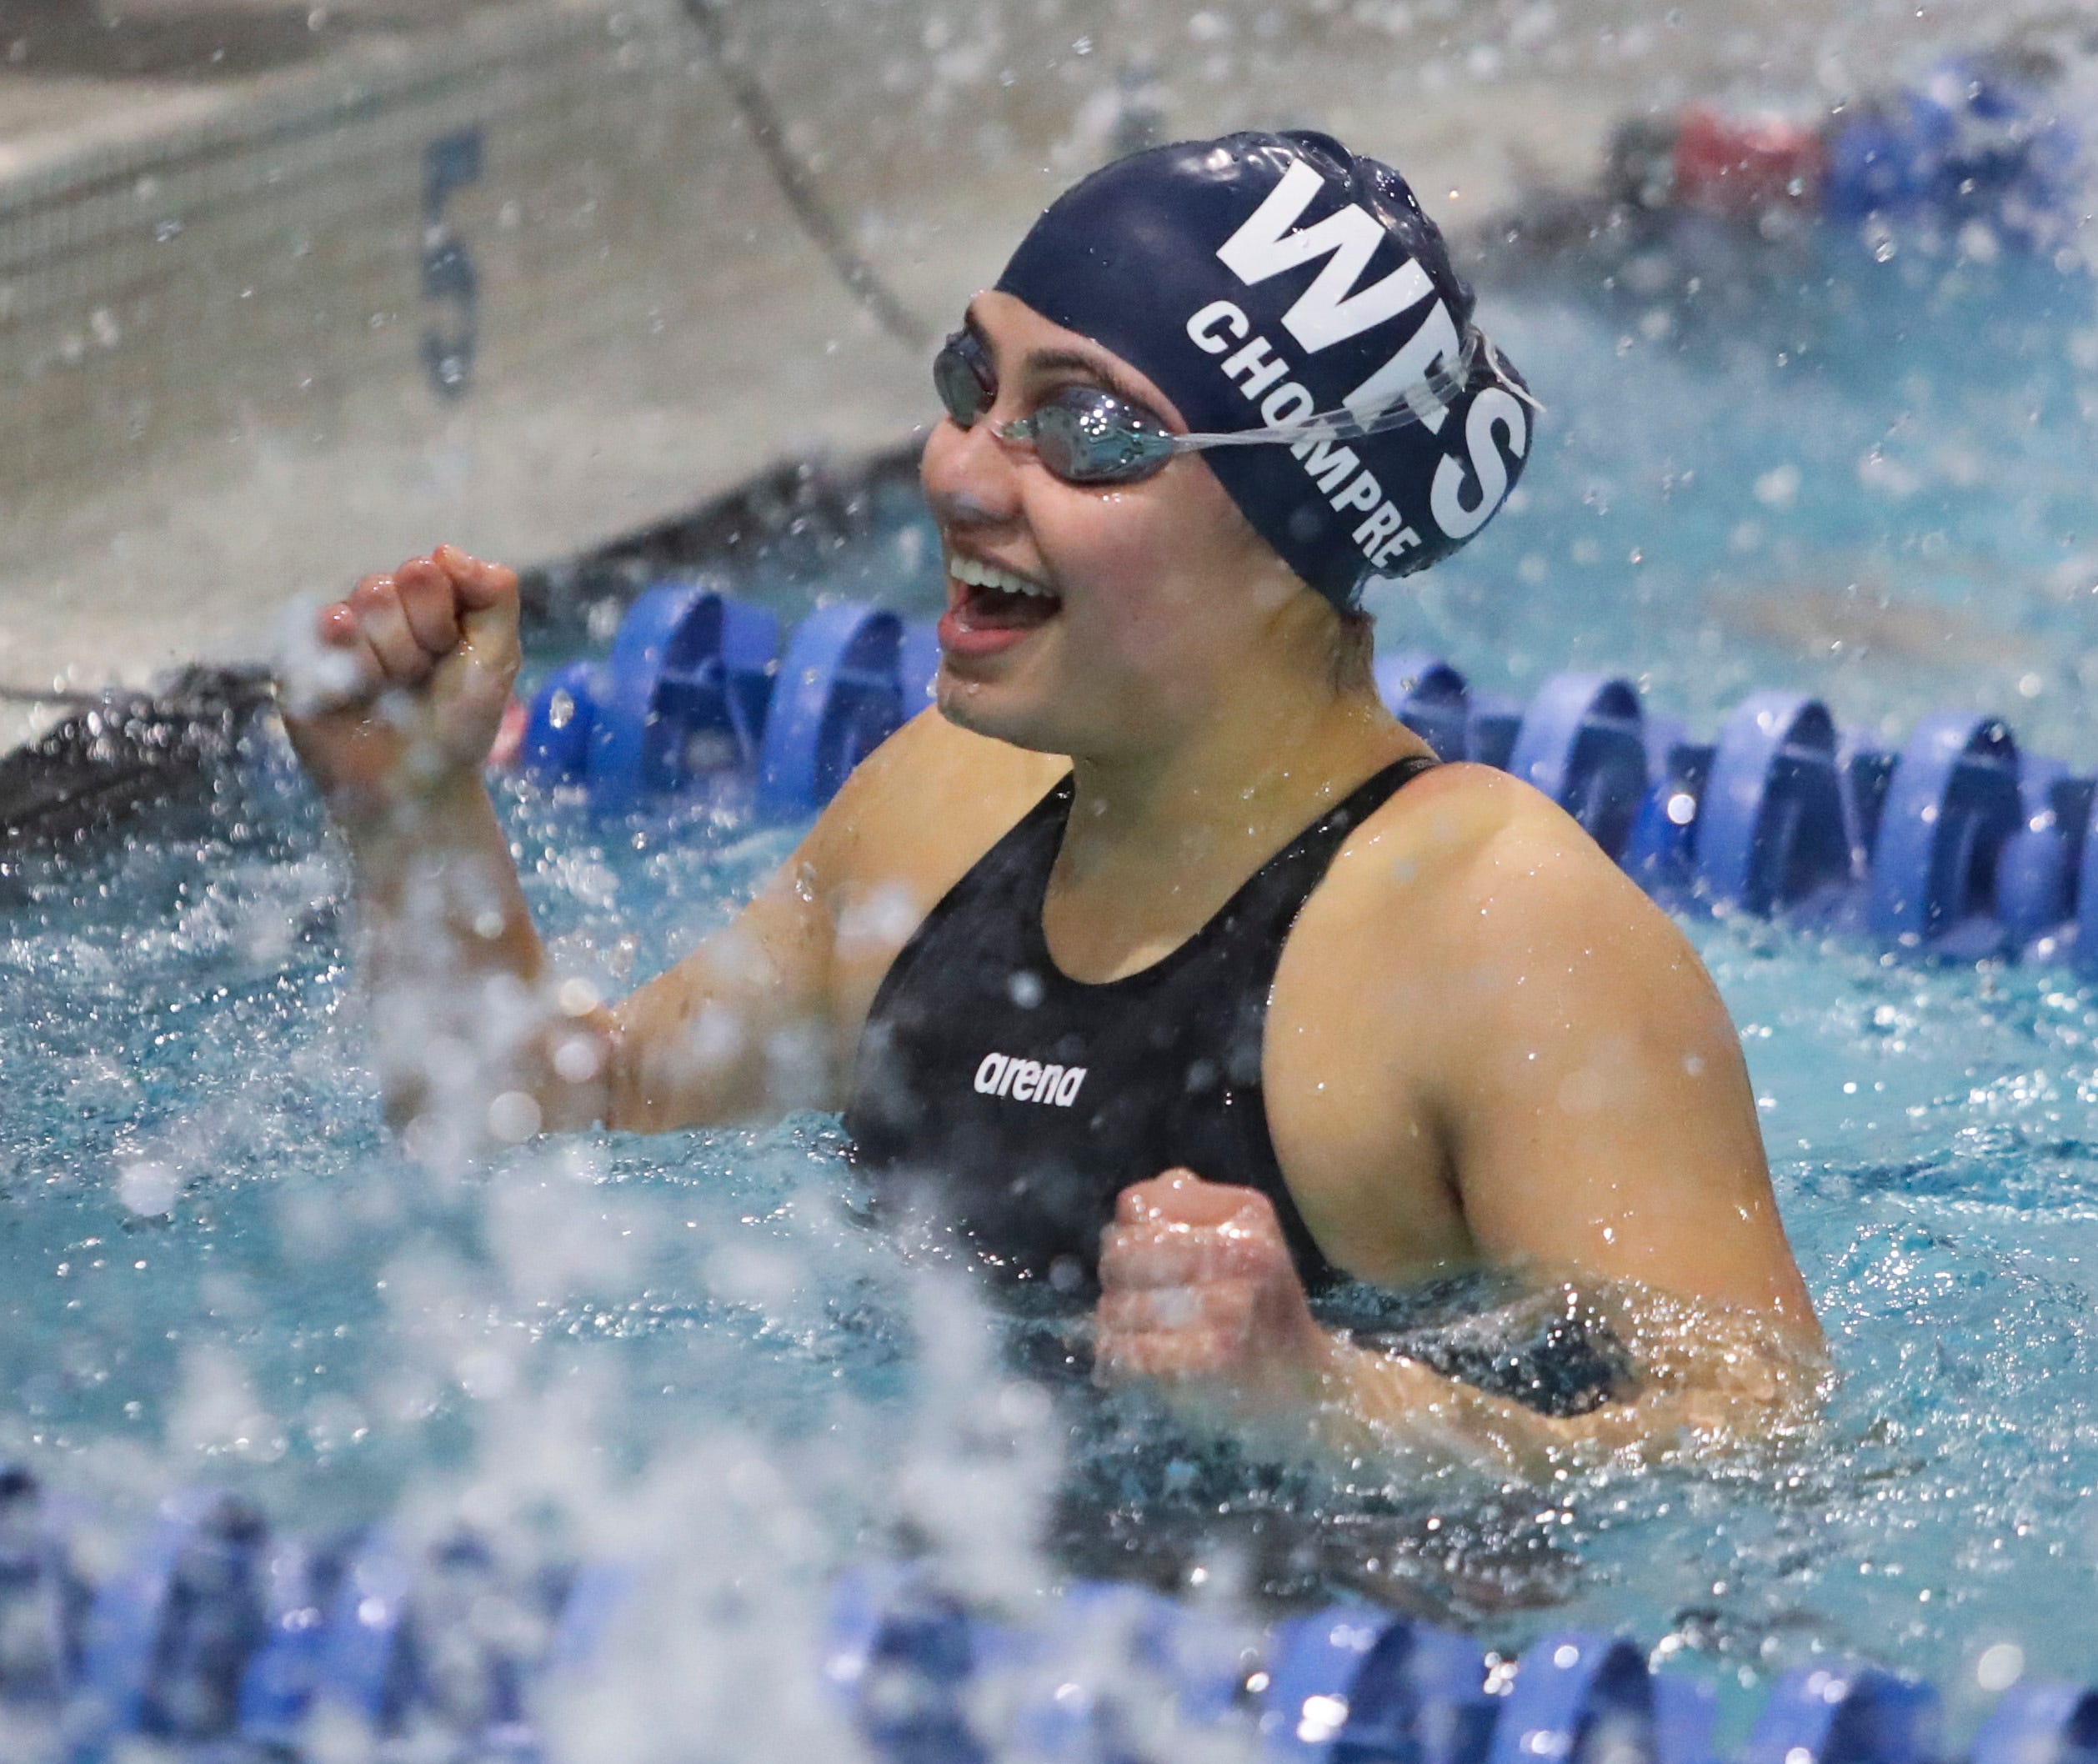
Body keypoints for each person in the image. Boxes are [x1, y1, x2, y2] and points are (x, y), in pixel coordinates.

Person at [281, 131, 1822, 1481]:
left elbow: (1759, 1445)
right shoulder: (945, 802)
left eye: (1088, 429)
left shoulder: (1494, 929)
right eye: (975, 383)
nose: (959, 471)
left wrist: (1334, 1403)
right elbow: (536, 1123)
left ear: (1293, 527)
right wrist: (408, 817)